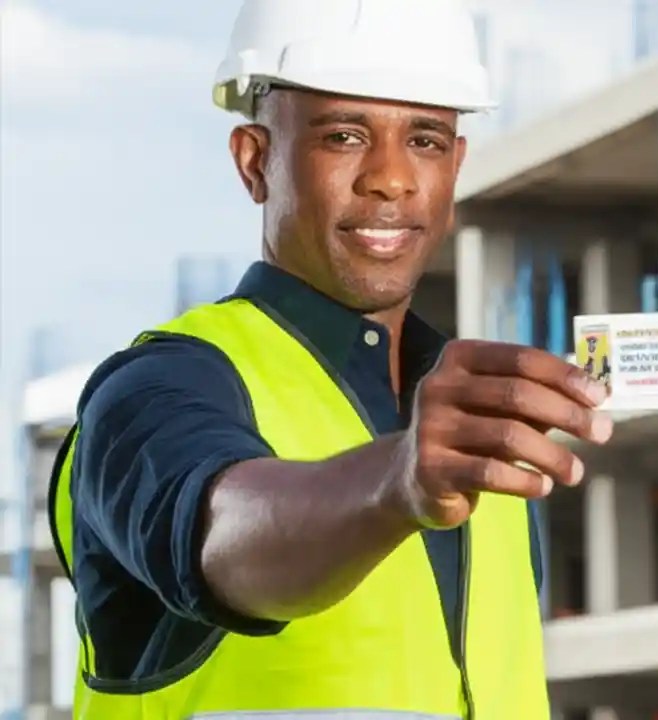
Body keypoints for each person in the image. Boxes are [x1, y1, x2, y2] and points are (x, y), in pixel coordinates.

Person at [46, 1, 612, 718]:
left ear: (457, 166)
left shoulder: (474, 426)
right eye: (344, 136)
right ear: (256, 161)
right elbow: (221, 534)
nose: (391, 179)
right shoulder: (157, 388)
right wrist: (396, 483)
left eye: (426, 140)